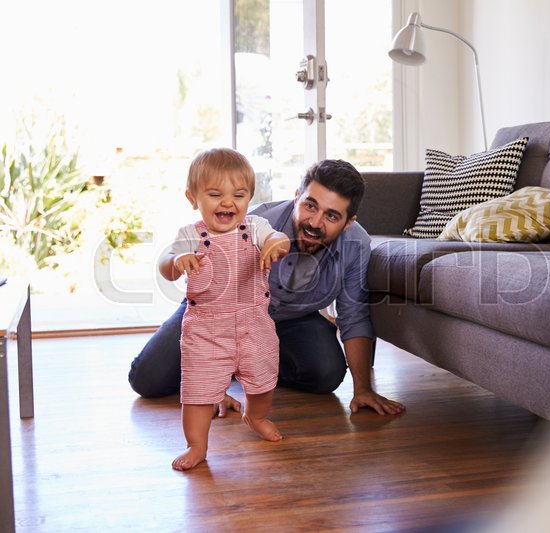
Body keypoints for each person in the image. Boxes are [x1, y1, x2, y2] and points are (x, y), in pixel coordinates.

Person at [128, 158, 405, 427]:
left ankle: (253, 367)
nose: (315, 222)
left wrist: (363, 389)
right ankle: (231, 365)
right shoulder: (255, 222)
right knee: (148, 379)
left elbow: (353, 315)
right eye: (310, 206)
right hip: (216, 311)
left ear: (348, 222)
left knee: (326, 374)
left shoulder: (356, 244)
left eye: (331, 216)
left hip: (293, 320)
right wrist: (212, 382)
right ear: (296, 197)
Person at [163, 148, 291, 471]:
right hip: (206, 332)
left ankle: (255, 416)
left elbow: (279, 238)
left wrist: (276, 243)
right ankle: (196, 445)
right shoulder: (190, 235)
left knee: (263, 383)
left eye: (238, 194)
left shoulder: (256, 227)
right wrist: (177, 261)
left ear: (249, 197)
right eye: (215, 194)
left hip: (254, 327)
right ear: (193, 198)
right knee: (197, 393)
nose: (227, 202)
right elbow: (165, 264)